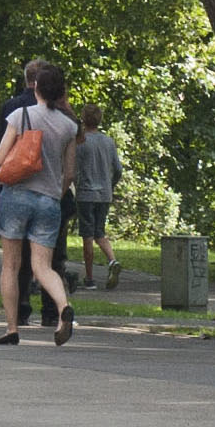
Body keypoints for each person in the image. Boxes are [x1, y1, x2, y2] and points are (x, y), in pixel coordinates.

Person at [0, 62, 80, 346]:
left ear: (37, 88)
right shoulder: (69, 126)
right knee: (43, 266)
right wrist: (55, 192)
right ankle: (63, 306)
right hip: (49, 201)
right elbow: (70, 173)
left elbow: (0, 158)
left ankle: (12, 328)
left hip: (16, 195)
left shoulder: (21, 115)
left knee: (11, 265)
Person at [73, 103, 123, 289]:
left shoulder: (81, 142)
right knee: (99, 233)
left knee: (87, 235)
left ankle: (90, 278)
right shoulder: (108, 142)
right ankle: (112, 260)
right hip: (104, 195)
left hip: (86, 194)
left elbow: (74, 169)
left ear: (83, 120)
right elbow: (118, 169)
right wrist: (110, 185)